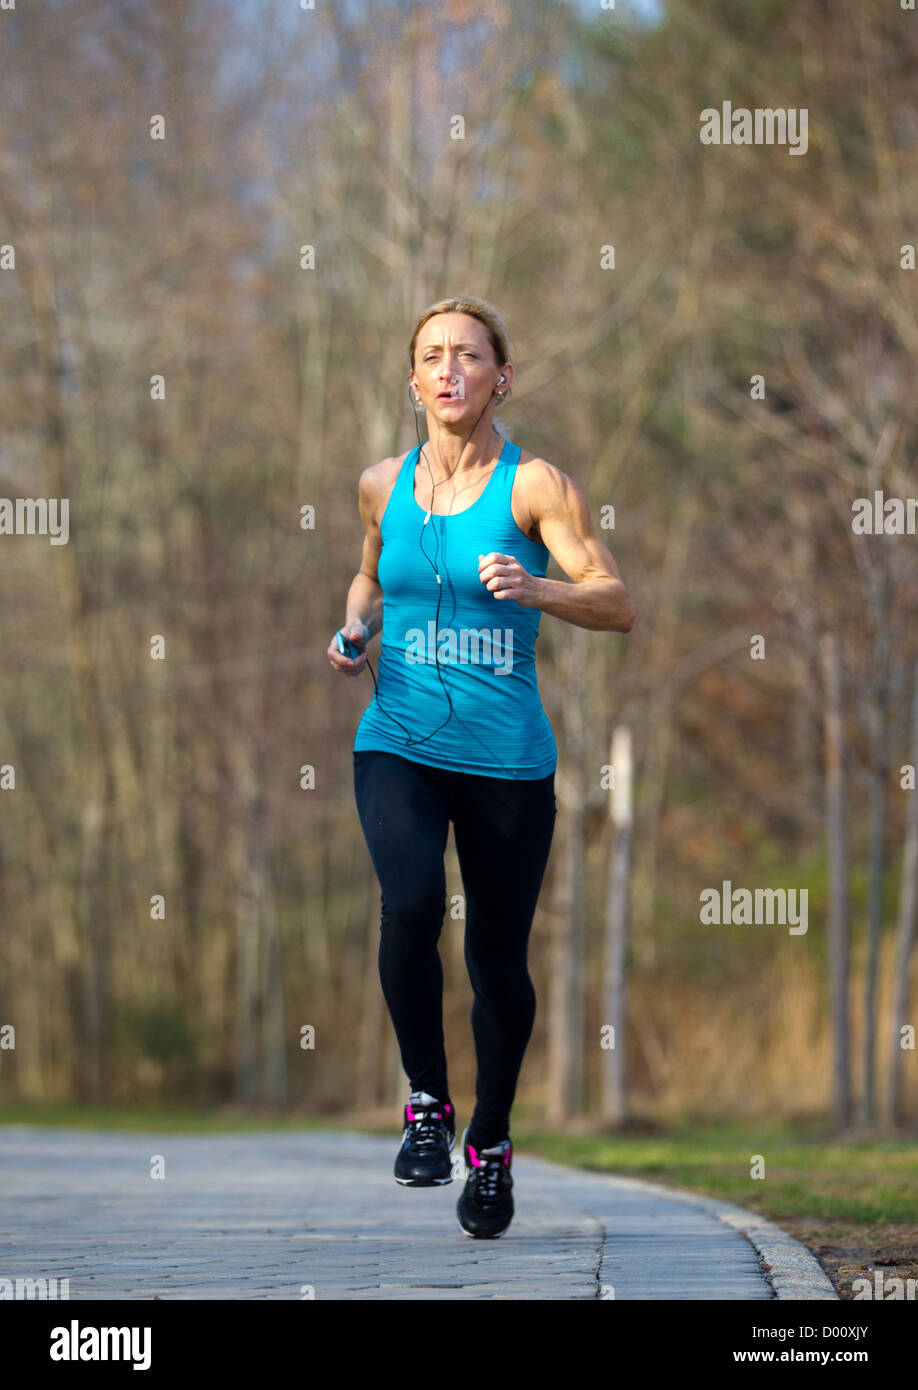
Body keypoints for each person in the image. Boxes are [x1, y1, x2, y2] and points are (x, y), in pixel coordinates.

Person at [328, 295, 634, 1239]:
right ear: (413, 379)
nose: (449, 369)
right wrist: (355, 626)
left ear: (502, 376)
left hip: (506, 759)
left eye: (469, 355)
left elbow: (617, 602)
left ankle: (492, 1144)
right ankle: (428, 1102)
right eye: (432, 355)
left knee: (496, 960)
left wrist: (539, 587)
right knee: (410, 904)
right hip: (399, 741)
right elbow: (372, 571)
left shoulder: (537, 485)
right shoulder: (384, 480)